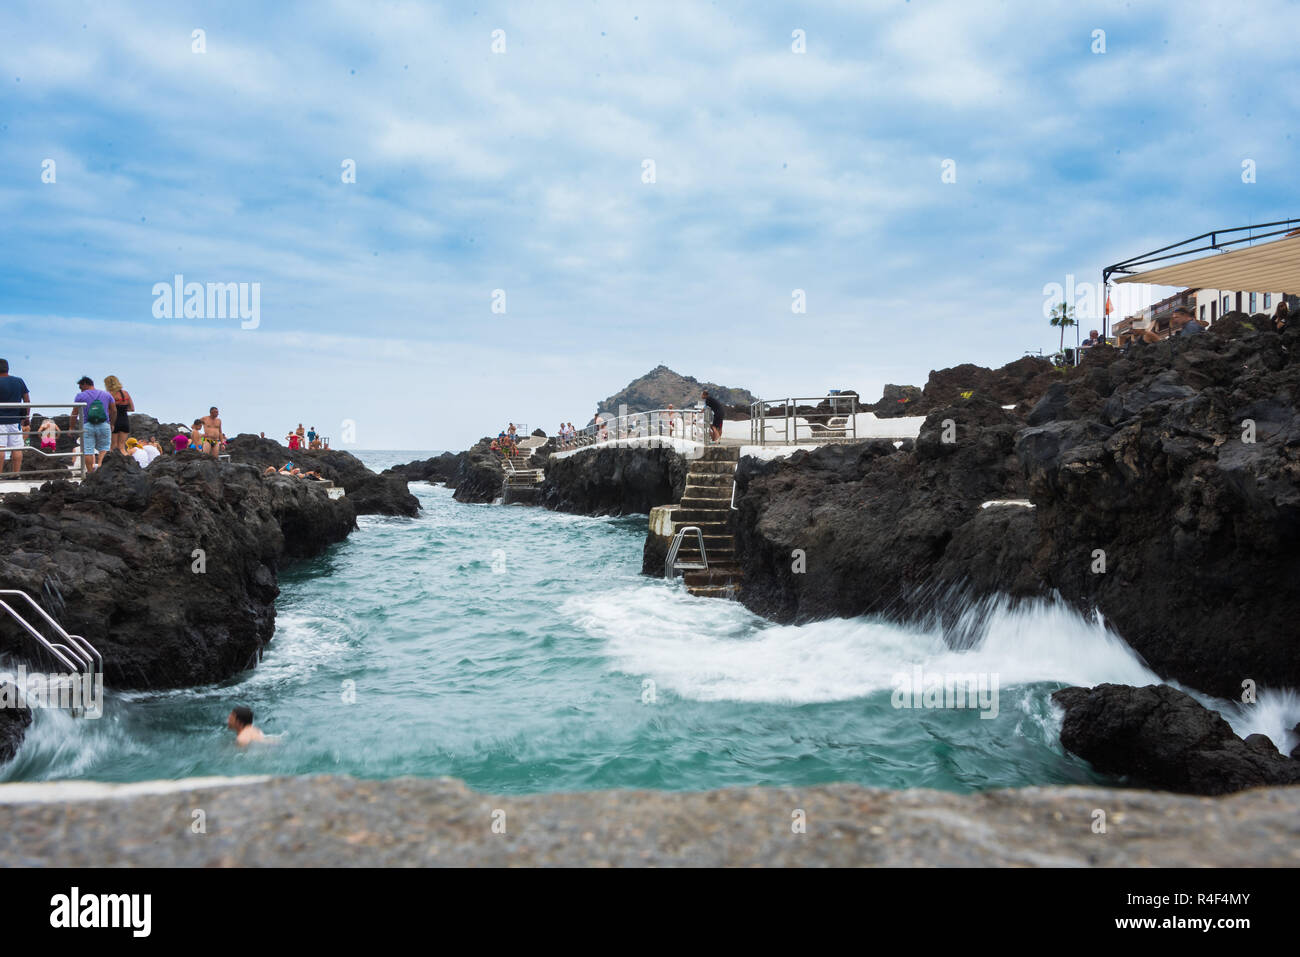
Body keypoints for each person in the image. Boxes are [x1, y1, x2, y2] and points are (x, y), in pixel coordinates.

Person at [71, 376, 116, 472]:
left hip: (88, 425)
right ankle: (101, 470)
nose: (81, 390)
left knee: (88, 450)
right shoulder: (106, 395)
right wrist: (112, 424)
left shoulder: (80, 396)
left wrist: (71, 427)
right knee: (104, 449)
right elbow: (114, 410)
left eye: (81, 387)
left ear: (85, 384)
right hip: (104, 424)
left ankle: (91, 474)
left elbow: (74, 413)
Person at [0, 358, 31, 476]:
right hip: (15, 420)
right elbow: (27, 400)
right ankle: (15, 474)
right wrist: (26, 417)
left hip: (0, 421)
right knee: (17, 448)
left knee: (0, 448)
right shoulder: (19, 381)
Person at [102, 375, 134, 455]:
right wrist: (122, 409)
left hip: (114, 421)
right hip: (125, 421)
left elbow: (107, 410)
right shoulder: (125, 393)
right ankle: (126, 463)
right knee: (122, 447)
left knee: (113, 446)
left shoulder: (109, 395)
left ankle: (113, 465)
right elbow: (132, 408)